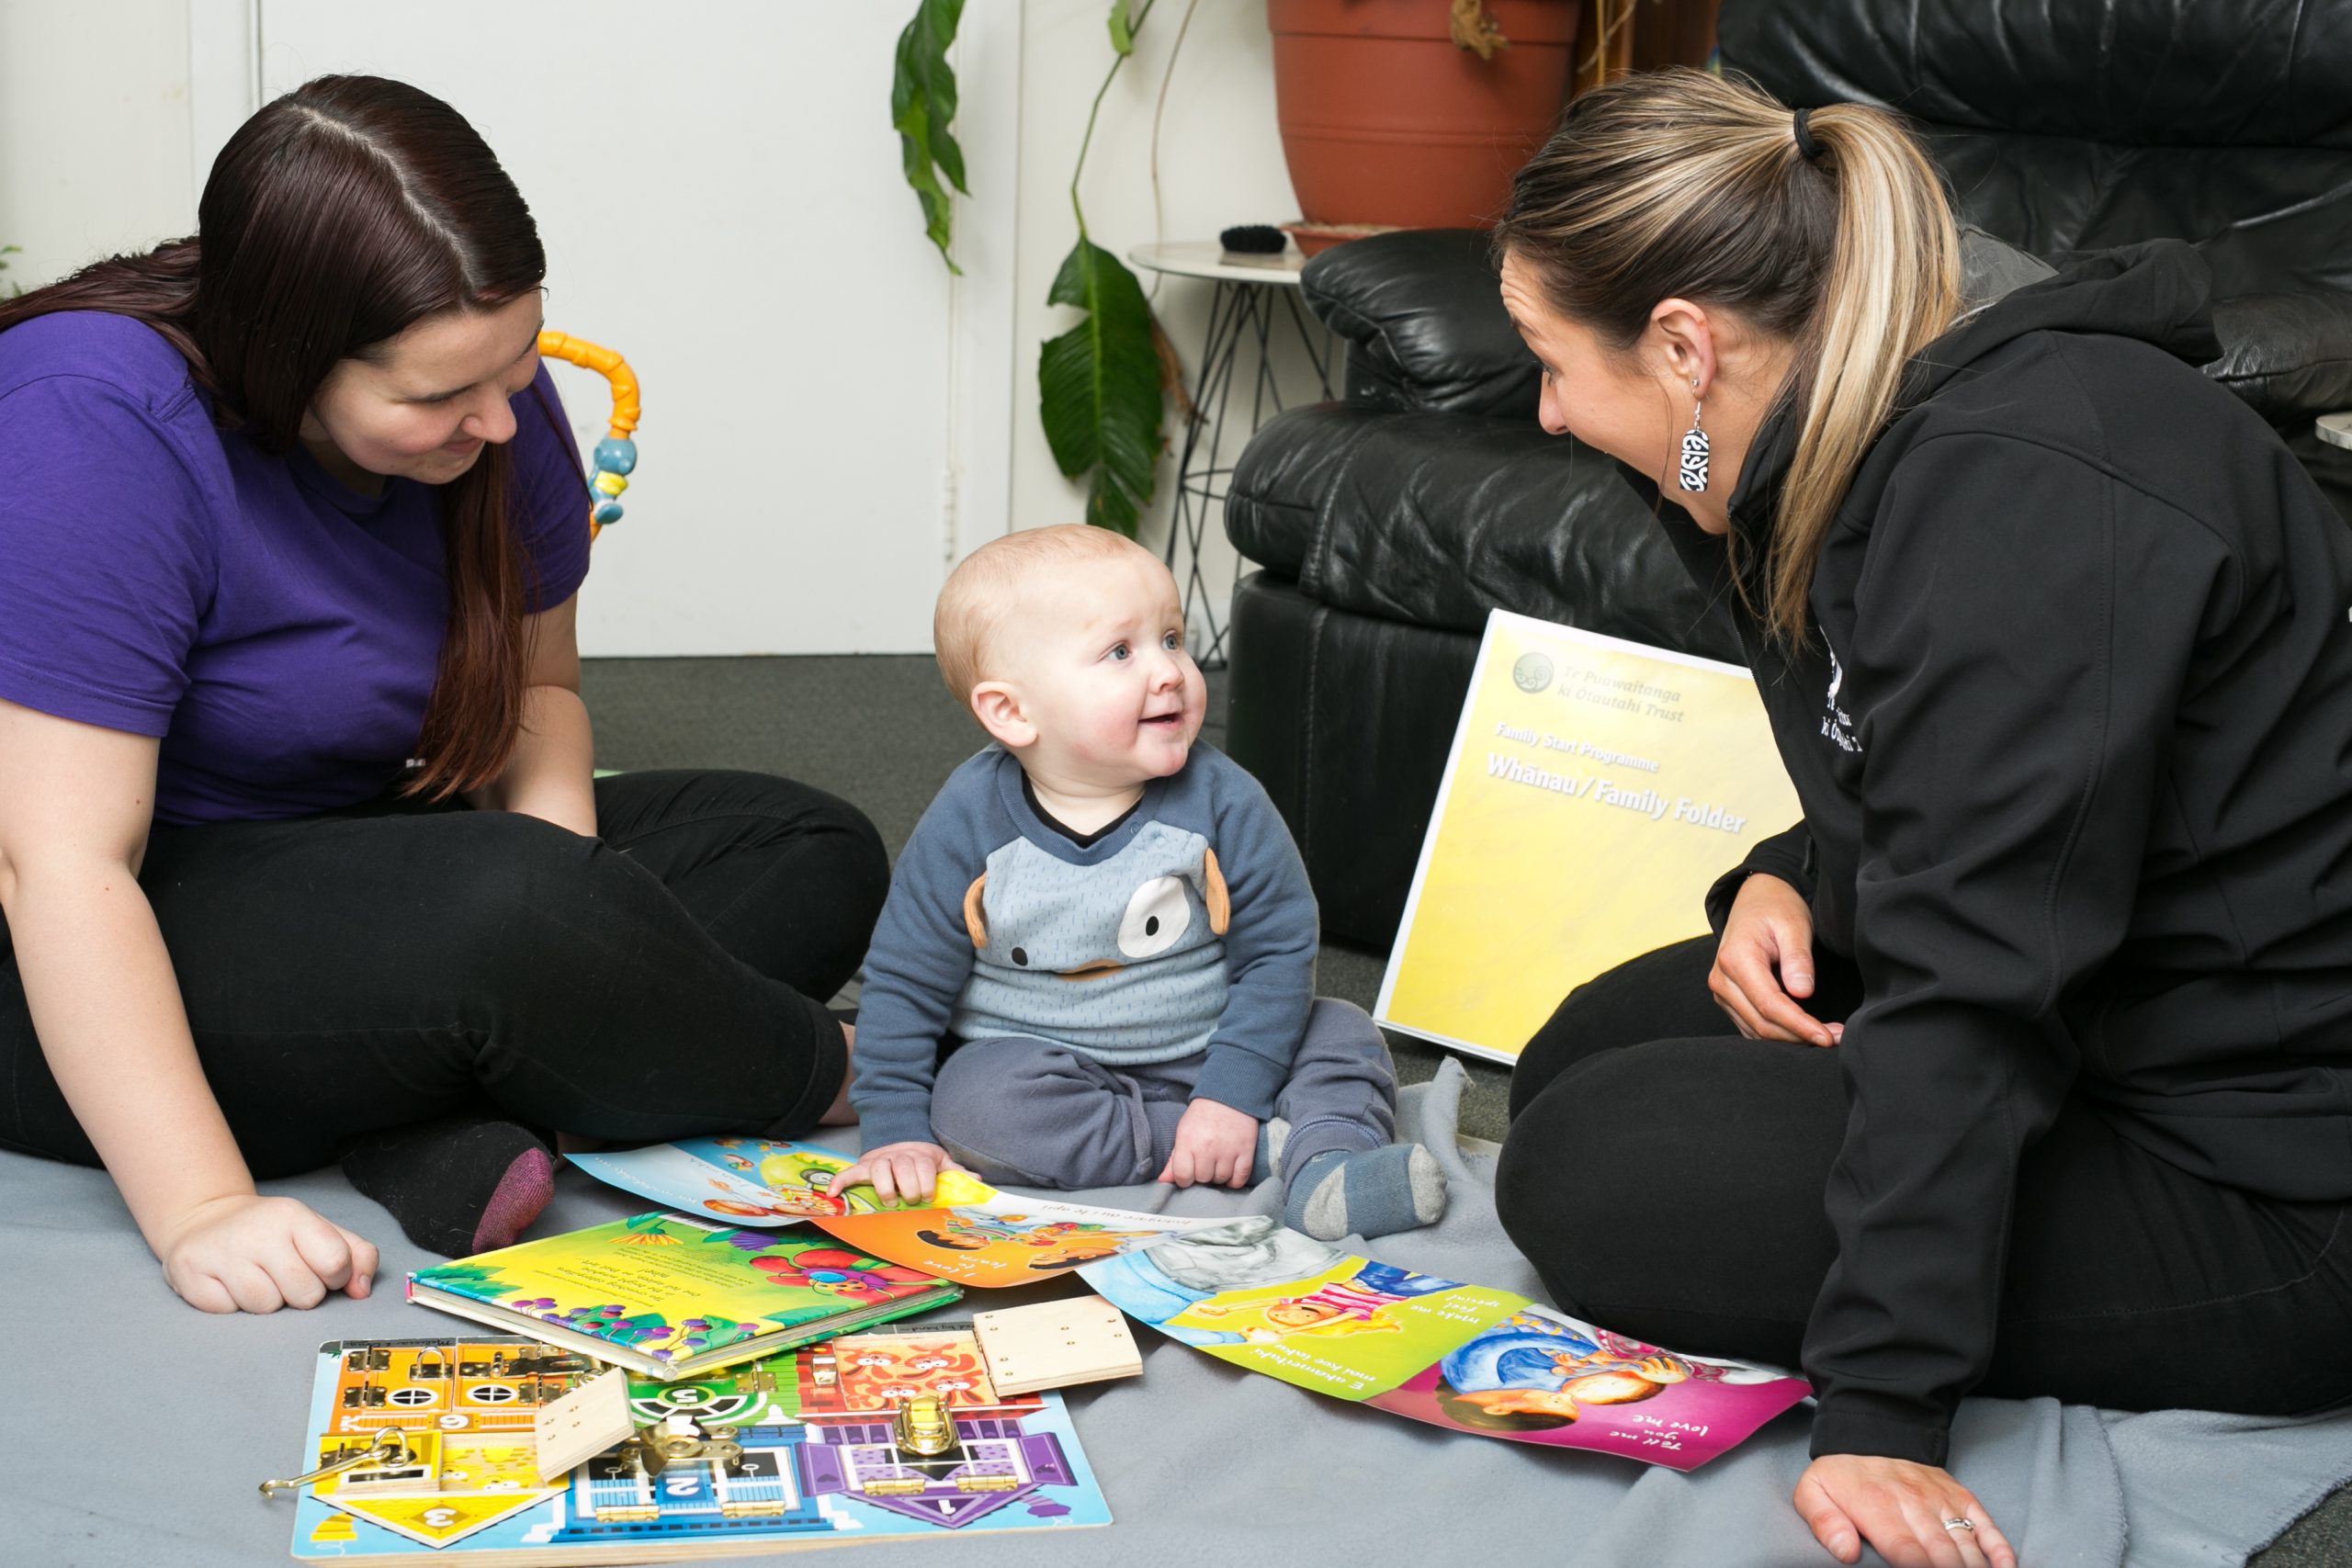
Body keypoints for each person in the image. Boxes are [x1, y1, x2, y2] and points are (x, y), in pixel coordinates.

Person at [1487, 69, 2352, 1568]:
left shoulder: (2029, 493)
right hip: (2121, 994)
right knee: (1583, 1049)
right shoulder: (1832, 430)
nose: (1550, 413)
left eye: (1553, 364)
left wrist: (1884, 1407)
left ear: (1686, 344)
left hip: (2275, 1174)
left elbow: (1975, 977)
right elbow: (1942, 775)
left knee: (1588, 1169)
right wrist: (1799, 878)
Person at [0, 76, 887, 1314]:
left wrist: (582, 919)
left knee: (807, 847)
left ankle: (428, 1119)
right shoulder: (93, 416)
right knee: (515, 911)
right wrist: (201, 1207)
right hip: (95, 935)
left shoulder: (497, 407)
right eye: (434, 398)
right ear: (288, 359)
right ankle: (847, 1068)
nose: (498, 419)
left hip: (385, 856)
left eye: (517, 363)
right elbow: (61, 863)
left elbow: (539, 690)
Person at [828, 525, 1446, 1241]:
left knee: (1342, 1030)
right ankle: (1265, 1147)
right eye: (1122, 651)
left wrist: (1230, 1091)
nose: (1170, 672)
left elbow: (1278, 948)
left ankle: (1331, 1168)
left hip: (1219, 1042)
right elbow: (905, 984)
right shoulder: (967, 822)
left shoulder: (1222, 798)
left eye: (1173, 638)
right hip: (1051, 1070)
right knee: (971, 1105)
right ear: (1012, 711)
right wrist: (894, 1130)